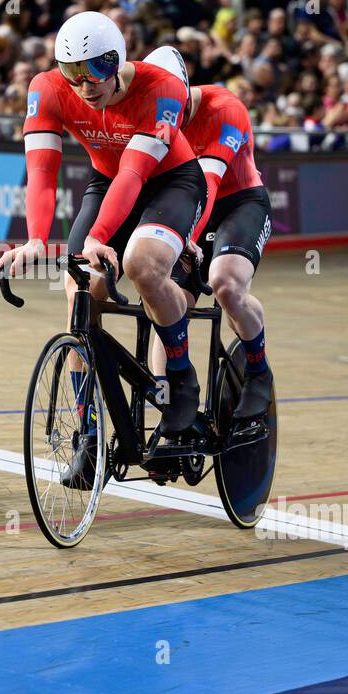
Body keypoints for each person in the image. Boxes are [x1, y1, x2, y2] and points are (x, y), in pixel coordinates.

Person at [0, 11, 206, 489]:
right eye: (73, 73)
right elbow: (43, 172)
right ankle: (88, 439)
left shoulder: (162, 88)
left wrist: (98, 235)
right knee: (78, 289)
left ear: (118, 61)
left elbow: (135, 175)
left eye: (95, 70)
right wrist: (33, 239)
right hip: (108, 181)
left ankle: (180, 374)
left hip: (169, 182)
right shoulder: (47, 90)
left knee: (142, 264)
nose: (84, 85)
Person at [144, 46, 274, 424]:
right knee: (164, 297)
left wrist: (186, 241)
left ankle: (257, 369)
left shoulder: (225, 108)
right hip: (193, 205)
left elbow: (211, 183)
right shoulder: (157, 113)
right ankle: (171, 400)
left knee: (225, 283)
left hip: (239, 202)